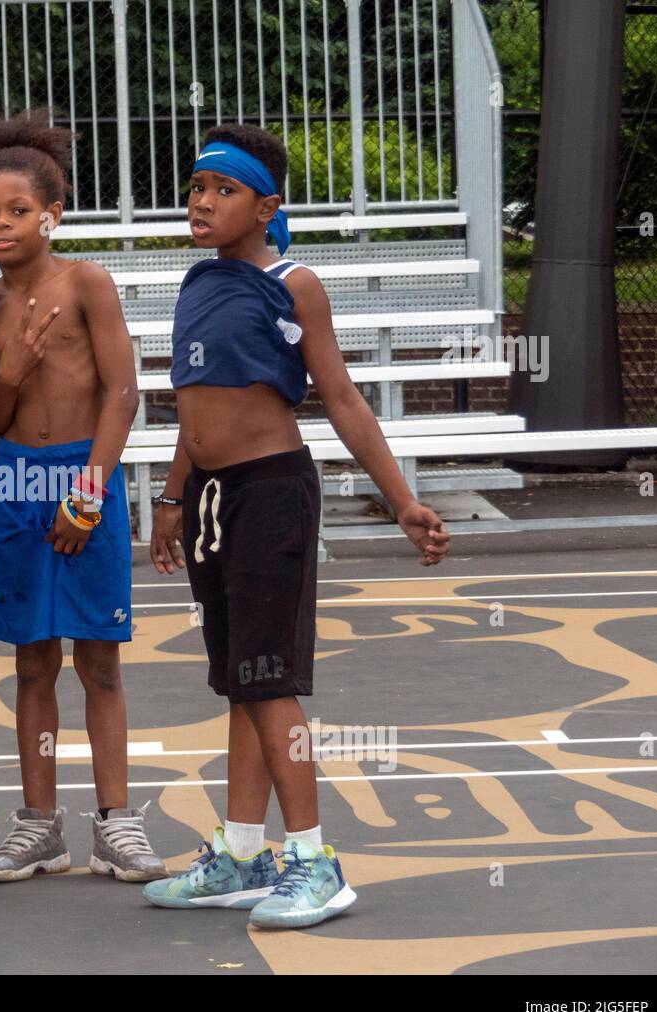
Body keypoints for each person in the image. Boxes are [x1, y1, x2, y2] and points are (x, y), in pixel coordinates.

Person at [144, 124, 450, 927]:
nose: (202, 202)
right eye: (197, 187)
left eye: (223, 191)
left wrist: (401, 499)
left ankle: (315, 860)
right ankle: (244, 852)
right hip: (210, 498)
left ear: (265, 206)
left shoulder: (294, 282)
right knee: (241, 681)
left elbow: (342, 397)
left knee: (270, 679)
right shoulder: (195, 285)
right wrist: (173, 499)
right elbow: (193, 407)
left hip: (271, 495)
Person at [0, 111, 166, 883]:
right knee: (33, 663)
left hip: (84, 480)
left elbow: (122, 392)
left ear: (53, 213)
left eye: (16, 210)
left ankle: (118, 820)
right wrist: (7, 372)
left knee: (100, 662)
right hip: (16, 483)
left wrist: (89, 491)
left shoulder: (87, 282)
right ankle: (39, 823)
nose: (0, 225)